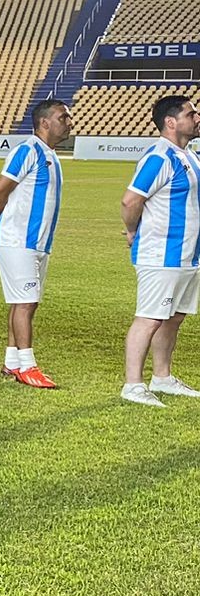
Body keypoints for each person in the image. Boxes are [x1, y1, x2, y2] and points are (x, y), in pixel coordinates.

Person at [120, 95, 200, 407]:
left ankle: (163, 377)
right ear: (170, 122)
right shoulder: (159, 157)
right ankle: (133, 384)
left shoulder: (189, 155)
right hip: (161, 254)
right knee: (150, 317)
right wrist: (132, 230)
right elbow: (130, 200)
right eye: (191, 113)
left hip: (187, 255)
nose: (197, 118)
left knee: (173, 317)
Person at [0, 99, 70, 388]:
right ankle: (28, 365)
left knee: (23, 303)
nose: (69, 122)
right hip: (17, 240)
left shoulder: (50, 155)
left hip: (37, 242)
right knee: (25, 302)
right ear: (45, 122)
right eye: (63, 117)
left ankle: (12, 362)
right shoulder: (27, 150)